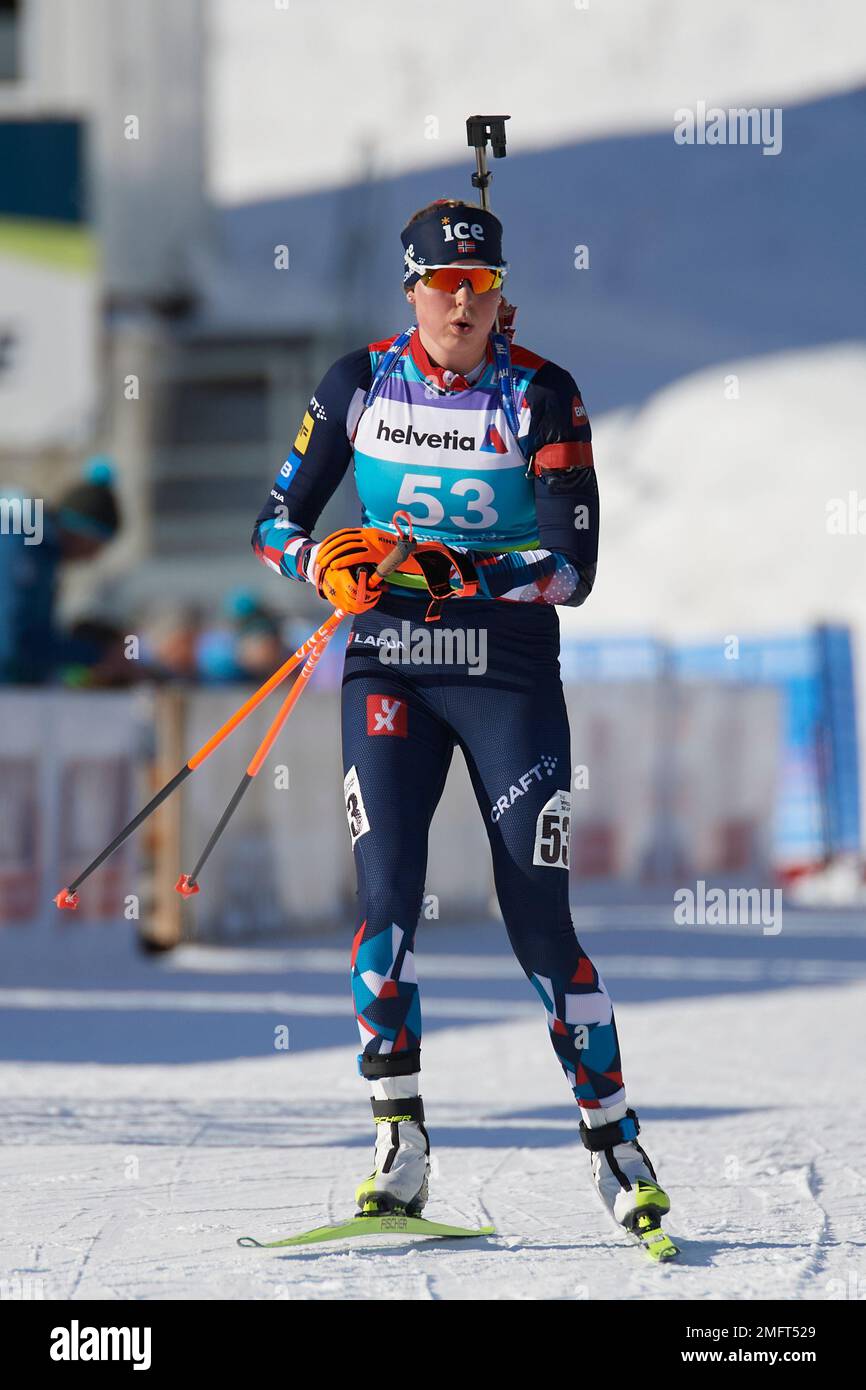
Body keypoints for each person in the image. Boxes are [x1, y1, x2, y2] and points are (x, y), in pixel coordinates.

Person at [252, 198, 672, 1248]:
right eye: (442, 286)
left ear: (499, 294)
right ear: (411, 291)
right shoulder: (358, 384)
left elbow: (571, 569)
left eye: (478, 287)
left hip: (503, 673)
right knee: (385, 906)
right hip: (389, 666)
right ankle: (398, 1141)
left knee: (538, 922)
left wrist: (460, 569)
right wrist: (321, 565)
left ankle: (613, 1141)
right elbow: (273, 522)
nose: (460, 304)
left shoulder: (541, 394)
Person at [0, 458, 121, 685]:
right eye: (97, 546)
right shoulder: (17, 544)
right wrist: (93, 654)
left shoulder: (42, 555)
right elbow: (11, 641)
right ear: (82, 533)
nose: (93, 558)